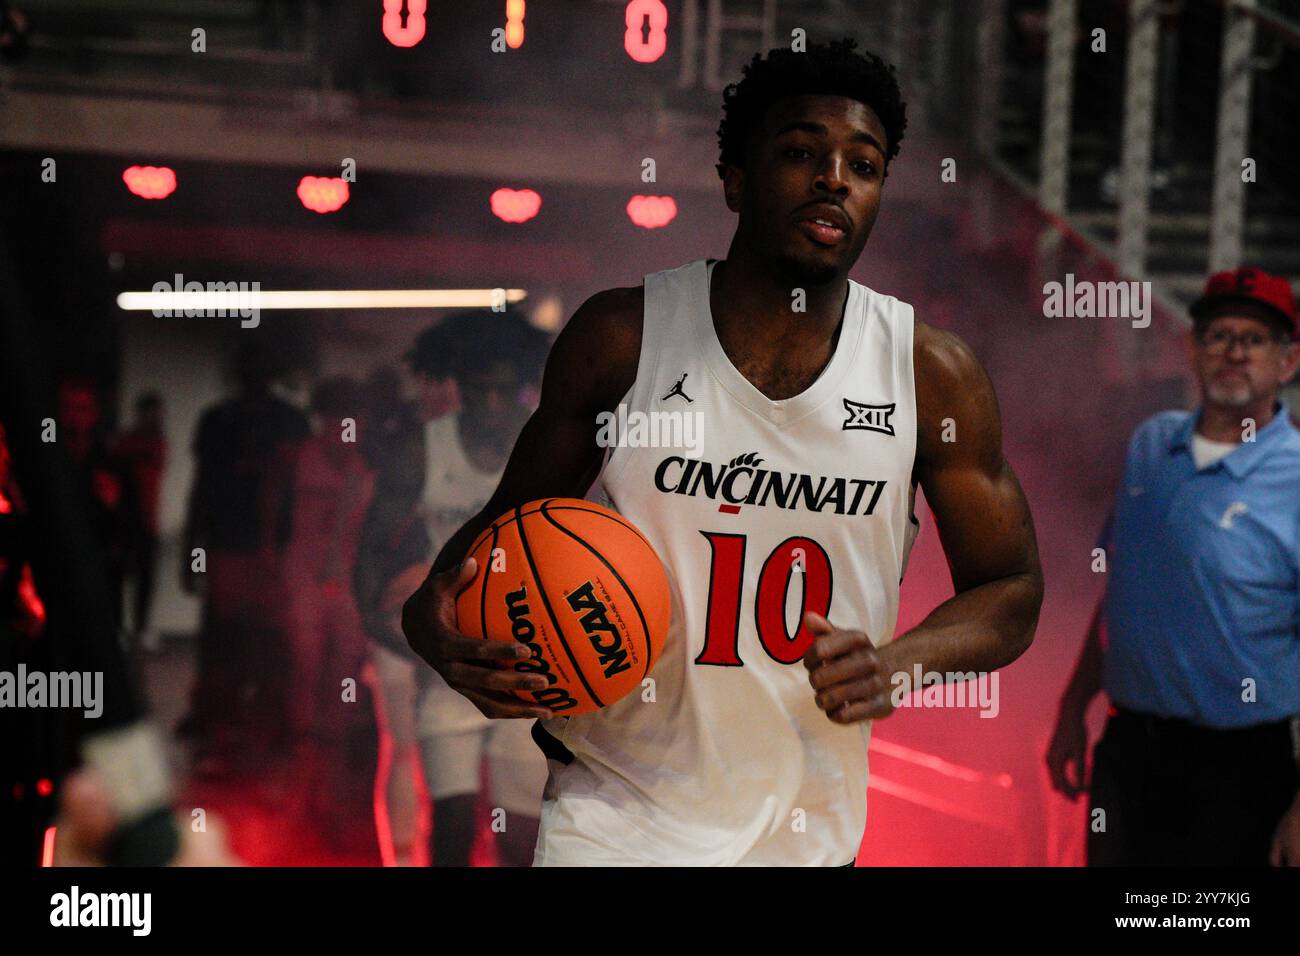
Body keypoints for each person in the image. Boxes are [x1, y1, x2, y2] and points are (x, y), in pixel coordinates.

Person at [401, 38, 1043, 866]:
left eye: (864, 164)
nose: (834, 180)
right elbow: (502, 530)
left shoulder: (929, 371)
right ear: (736, 178)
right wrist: (431, 616)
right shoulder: (622, 336)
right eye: (801, 152)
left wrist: (900, 663)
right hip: (612, 814)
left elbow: (1012, 588)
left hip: (807, 830)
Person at [1047, 266, 1300, 866]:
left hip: (1240, 770)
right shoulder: (1150, 447)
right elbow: (1124, 592)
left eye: (1255, 339)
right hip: (1129, 751)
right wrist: (1070, 710)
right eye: (1218, 335)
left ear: (1287, 363)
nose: (1234, 352)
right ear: (1192, 349)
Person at [402, 309, 551, 867]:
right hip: (450, 662)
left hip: (527, 660)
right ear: (456, 385)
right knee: (451, 828)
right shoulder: (422, 448)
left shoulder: (550, 444)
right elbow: (368, 558)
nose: (491, 404)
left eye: (504, 391)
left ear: (524, 388)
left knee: (519, 838)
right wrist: (408, 636)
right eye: (477, 390)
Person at [178, 342, 310, 772]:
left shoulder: (282, 421)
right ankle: (229, 733)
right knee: (230, 640)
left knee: (261, 642)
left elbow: (300, 495)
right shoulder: (223, 420)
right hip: (235, 546)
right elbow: (202, 490)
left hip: (262, 549)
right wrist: (192, 550)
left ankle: (252, 735)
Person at [279, 376, 375, 835]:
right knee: (305, 667)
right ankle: (303, 776)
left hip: (346, 581)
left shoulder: (367, 467)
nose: (342, 426)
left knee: (342, 674)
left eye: (349, 418)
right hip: (304, 574)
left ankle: (330, 780)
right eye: (335, 418)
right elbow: (274, 511)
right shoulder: (301, 457)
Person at [112, 392, 167, 654]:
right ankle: (118, 629)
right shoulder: (126, 442)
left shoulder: (157, 443)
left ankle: (141, 629)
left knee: (146, 580)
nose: (157, 418)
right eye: (152, 412)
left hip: (149, 522)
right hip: (126, 522)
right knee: (120, 577)